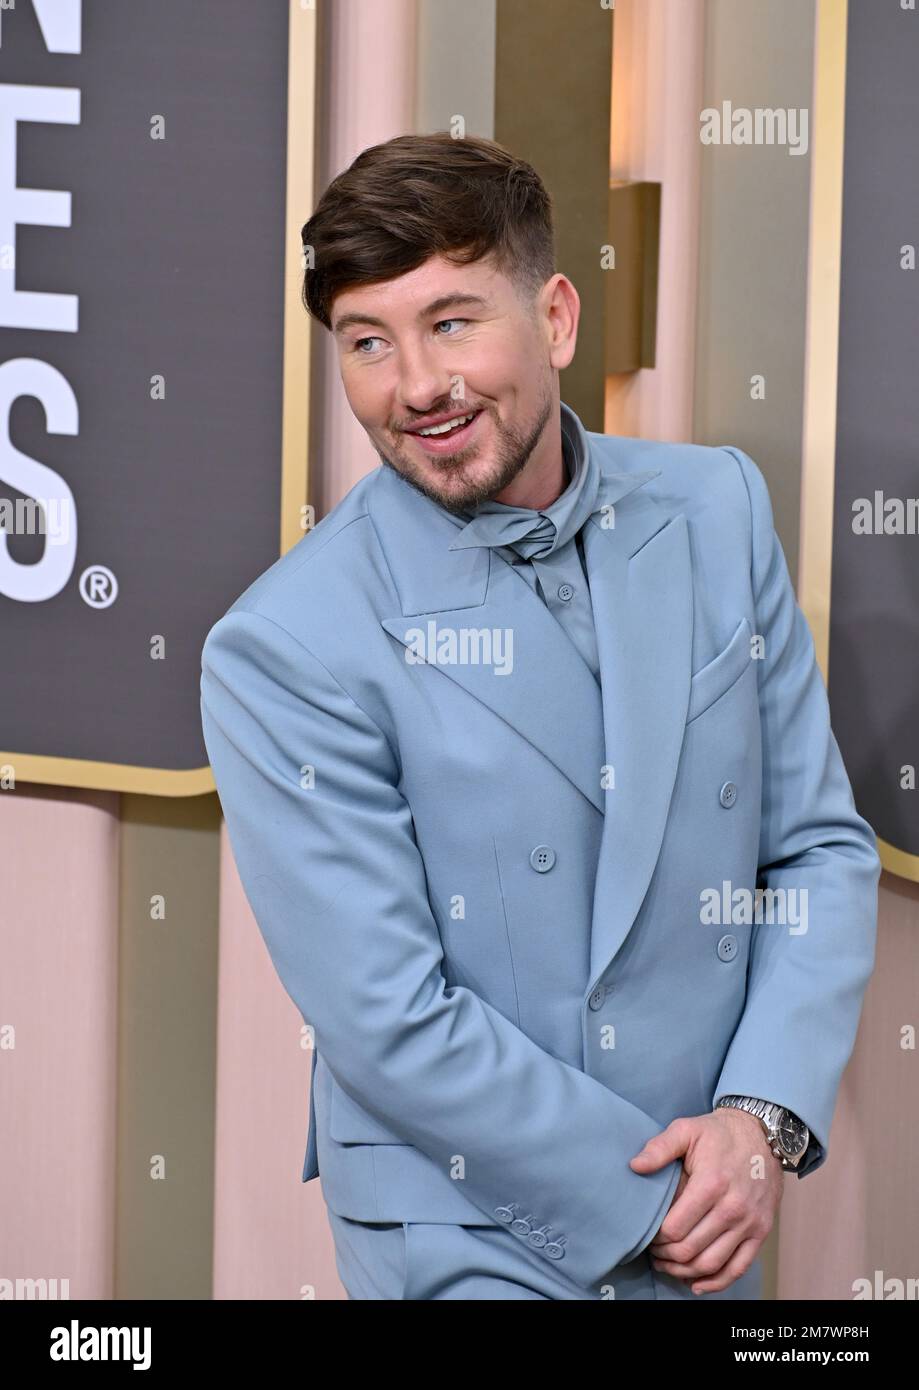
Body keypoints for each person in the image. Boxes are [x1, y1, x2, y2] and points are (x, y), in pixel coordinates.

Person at [199, 132, 881, 1300]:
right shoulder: (283, 647)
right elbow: (393, 1023)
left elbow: (814, 846)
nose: (415, 384)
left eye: (453, 322)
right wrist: (659, 1195)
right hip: (467, 1226)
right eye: (368, 343)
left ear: (555, 318)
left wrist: (753, 1124)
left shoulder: (715, 506)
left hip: (716, 1199)